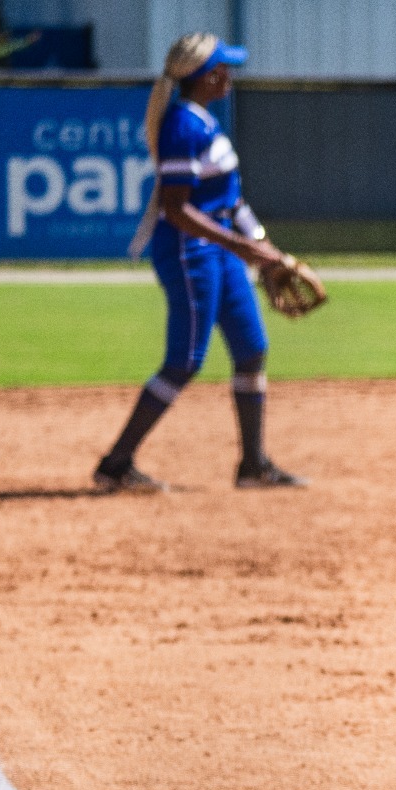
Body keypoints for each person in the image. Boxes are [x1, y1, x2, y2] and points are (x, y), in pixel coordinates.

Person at [93, 32, 304, 493]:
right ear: (206, 76)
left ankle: (253, 465)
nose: (229, 74)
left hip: (219, 251)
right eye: (223, 67)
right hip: (189, 251)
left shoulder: (204, 121)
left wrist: (264, 247)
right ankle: (115, 464)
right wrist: (244, 248)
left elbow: (231, 201)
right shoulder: (182, 126)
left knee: (251, 349)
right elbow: (176, 209)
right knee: (184, 360)